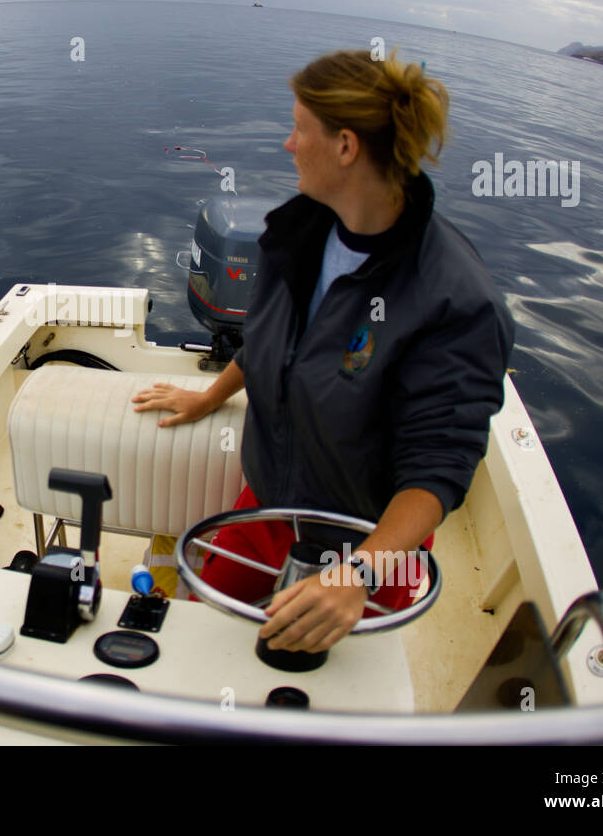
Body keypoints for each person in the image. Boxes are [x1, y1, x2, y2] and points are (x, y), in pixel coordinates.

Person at [132, 49, 513, 655]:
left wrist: (356, 575)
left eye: (298, 128)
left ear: (345, 146)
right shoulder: (300, 231)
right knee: (188, 643)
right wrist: (207, 397)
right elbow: (268, 340)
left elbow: (437, 468)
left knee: (307, 689)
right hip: (262, 515)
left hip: (365, 546)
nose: (287, 145)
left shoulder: (454, 301)